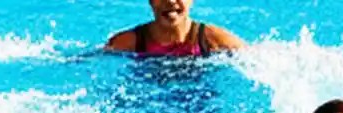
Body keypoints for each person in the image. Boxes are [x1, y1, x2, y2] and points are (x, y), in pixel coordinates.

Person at [105, 0, 245, 57]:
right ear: (150, 2)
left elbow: (253, 57)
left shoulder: (212, 39)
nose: (171, 1)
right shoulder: (128, 42)